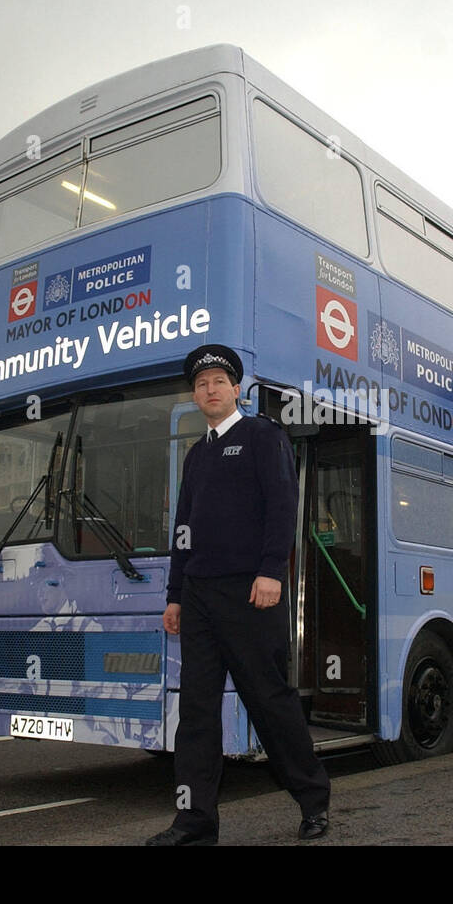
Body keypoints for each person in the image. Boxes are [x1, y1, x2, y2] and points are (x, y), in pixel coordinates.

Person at [145, 344, 330, 845]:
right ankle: (193, 821)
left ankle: (314, 801)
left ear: (237, 389)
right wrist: (176, 593)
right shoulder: (196, 455)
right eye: (201, 385)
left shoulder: (262, 436)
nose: (210, 391)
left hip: (252, 593)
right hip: (201, 598)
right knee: (197, 712)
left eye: (218, 383)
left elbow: (282, 506)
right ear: (195, 394)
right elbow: (184, 528)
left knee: (269, 701)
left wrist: (272, 571)